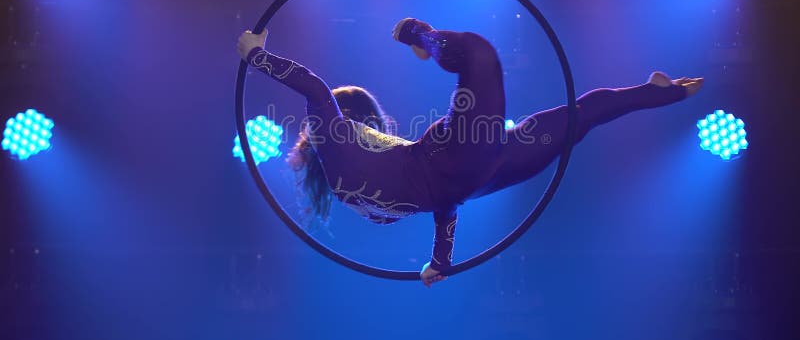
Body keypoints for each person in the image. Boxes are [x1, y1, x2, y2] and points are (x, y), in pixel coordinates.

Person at [236, 19, 703, 287]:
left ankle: (659, 92)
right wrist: (255, 55)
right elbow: (317, 92)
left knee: (578, 119)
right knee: (481, 56)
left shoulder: (351, 190)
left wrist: (441, 260)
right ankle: (422, 36)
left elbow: (440, 199)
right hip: (469, 164)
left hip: (477, 173)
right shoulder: (335, 143)